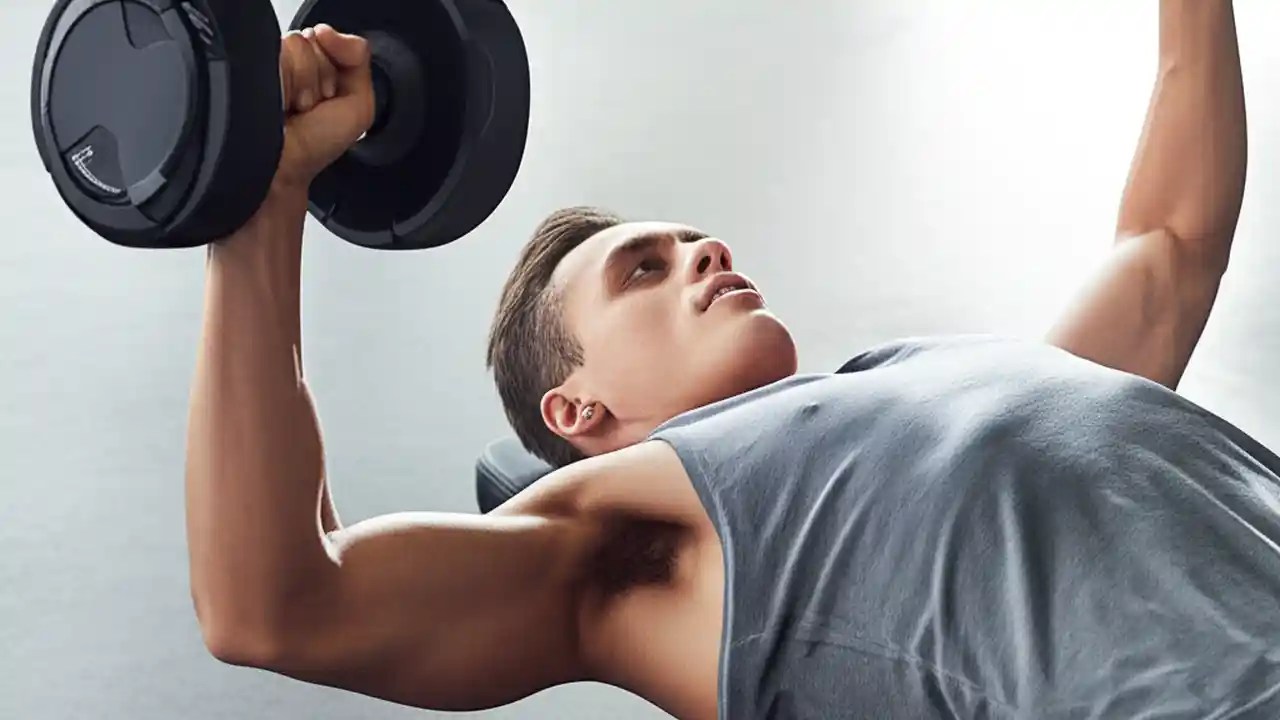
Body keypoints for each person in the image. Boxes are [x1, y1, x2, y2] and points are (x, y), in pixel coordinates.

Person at [185, 5, 1278, 719]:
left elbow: (1167, 247)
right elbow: (275, 605)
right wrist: (264, 197)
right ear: (579, 410)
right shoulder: (627, 545)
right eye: (641, 271)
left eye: (685, 242)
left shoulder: (955, 393)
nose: (703, 250)